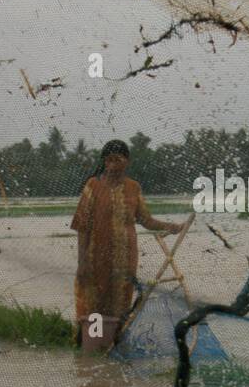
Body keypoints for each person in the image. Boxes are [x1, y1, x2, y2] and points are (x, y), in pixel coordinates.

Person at [71, 140, 188, 350]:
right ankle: (92, 348)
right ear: (104, 162)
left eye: (118, 160)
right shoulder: (93, 185)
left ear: (127, 162)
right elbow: (82, 226)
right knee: (95, 304)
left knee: (120, 305)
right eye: (109, 160)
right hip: (96, 259)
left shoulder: (133, 187)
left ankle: (113, 349)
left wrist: (171, 226)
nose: (113, 165)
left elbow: (146, 220)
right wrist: (82, 263)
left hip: (125, 261)